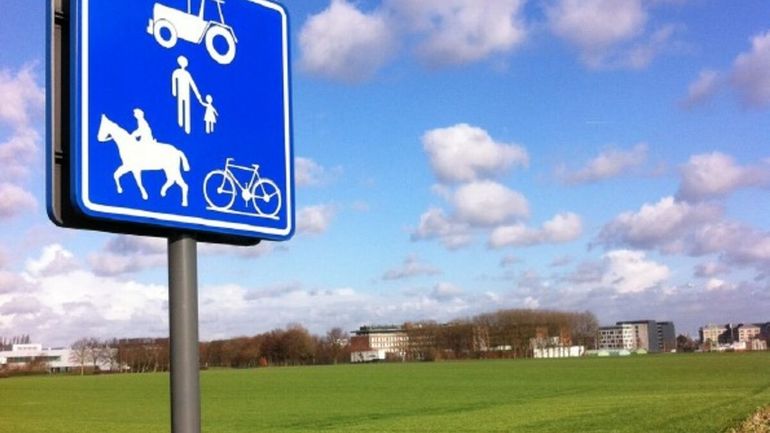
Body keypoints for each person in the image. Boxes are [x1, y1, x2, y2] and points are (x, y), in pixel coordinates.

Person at [172, 55, 202, 134]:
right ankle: (180, 124)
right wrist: (174, 91)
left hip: (187, 93)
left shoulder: (187, 74)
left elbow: (193, 84)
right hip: (180, 92)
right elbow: (174, 81)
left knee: (187, 108)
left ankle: (187, 128)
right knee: (180, 107)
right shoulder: (176, 72)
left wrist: (198, 96)